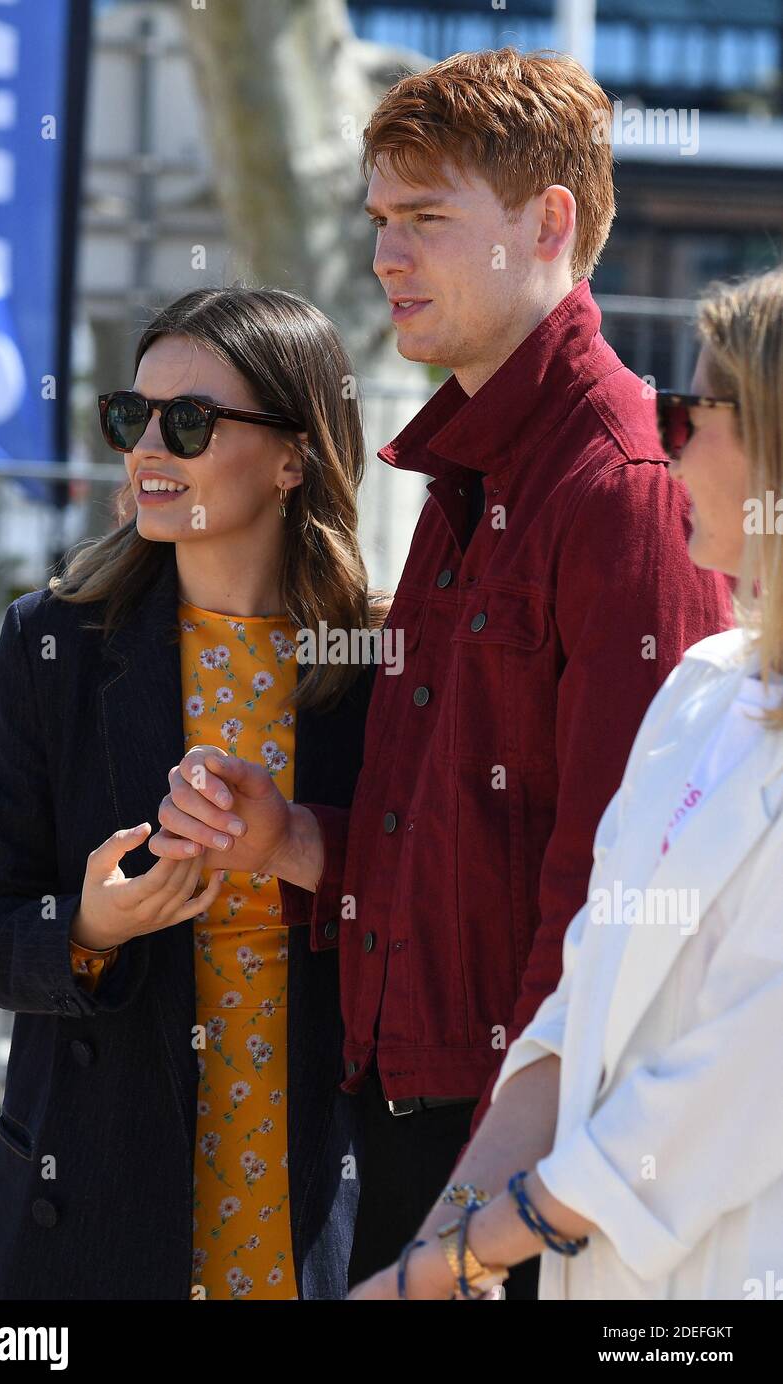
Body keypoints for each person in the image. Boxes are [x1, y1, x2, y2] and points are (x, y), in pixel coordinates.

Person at [152, 48, 734, 1298]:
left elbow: (611, 896)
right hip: (422, 1139)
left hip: (512, 1177)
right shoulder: (468, 480)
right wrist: (297, 840)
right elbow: (468, 846)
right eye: (376, 220)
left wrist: (474, 1225)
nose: (384, 258)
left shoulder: (621, 494)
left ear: (549, 221)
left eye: (424, 218)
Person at [347, 263, 783, 1300]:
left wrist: (450, 1262)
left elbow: (713, 1097)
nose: (664, 436)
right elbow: (568, 1012)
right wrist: (442, 1247)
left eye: (692, 409)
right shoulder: (698, 693)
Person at [0, 286, 382, 1301]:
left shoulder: (375, 660)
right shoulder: (50, 644)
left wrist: (293, 847)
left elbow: (433, 894)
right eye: (129, 417)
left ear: (294, 455)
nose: (149, 445)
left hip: (306, 1177)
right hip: (101, 1188)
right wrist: (89, 927)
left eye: (188, 422)